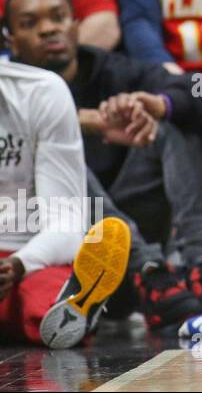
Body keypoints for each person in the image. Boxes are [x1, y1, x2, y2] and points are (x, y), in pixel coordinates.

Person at [4, 0, 202, 329]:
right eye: (29, 23)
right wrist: (87, 123)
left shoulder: (115, 70)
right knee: (65, 158)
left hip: (133, 210)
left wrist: (157, 105)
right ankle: (146, 269)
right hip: (66, 235)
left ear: (77, 25)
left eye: (58, 17)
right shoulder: (12, 92)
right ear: (11, 41)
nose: (49, 28)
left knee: (175, 125)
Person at [0, 58, 131, 348]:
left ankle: (75, 305)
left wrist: (16, 265)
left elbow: (67, 222)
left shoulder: (43, 92)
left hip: (26, 260)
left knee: (43, 309)